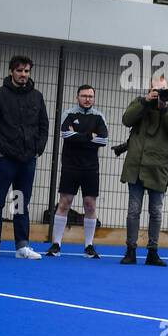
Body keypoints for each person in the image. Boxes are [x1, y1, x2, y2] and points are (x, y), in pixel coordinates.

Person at [0, 54, 48, 260]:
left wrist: (38, 148)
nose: (23, 74)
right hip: (4, 158)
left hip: (27, 159)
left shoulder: (37, 97)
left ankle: (22, 246)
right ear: (11, 71)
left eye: (27, 71)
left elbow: (43, 126)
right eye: (19, 70)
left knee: (20, 202)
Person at [120, 75, 168, 266]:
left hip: (158, 169)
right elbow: (126, 119)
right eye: (155, 90)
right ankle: (131, 250)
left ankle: (152, 252)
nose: (159, 94)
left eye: (163, 90)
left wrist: (164, 110)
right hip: (137, 167)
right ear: (149, 89)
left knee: (156, 212)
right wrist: (144, 102)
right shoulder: (140, 103)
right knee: (133, 210)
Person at [45, 84, 109, 258]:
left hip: (91, 168)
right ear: (77, 97)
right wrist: (90, 136)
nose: (87, 99)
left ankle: (89, 246)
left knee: (90, 205)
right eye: (84, 96)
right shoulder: (69, 114)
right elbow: (65, 135)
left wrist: (79, 136)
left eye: (90, 96)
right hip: (70, 166)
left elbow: (103, 139)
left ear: (94, 98)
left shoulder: (99, 116)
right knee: (64, 203)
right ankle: (56, 244)